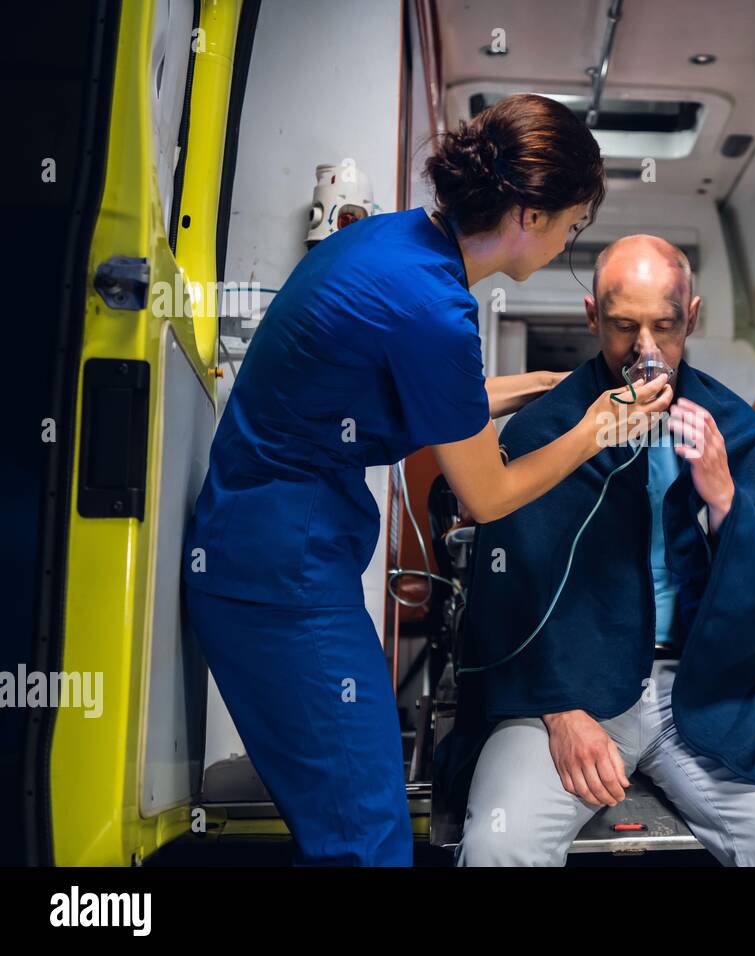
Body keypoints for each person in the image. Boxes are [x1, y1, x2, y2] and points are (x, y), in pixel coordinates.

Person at [183, 95, 672, 866]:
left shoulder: (399, 244)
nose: (567, 241)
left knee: (352, 821)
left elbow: (438, 402)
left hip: (262, 546)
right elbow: (489, 493)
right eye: (572, 225)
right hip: (280, 577)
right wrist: (594, 430)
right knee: (367, 836)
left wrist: (546, 385)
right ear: (530, 214)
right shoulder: (433, 309)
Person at [436, 235, 755, 867]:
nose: (646, 351)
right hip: (568, 692)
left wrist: (724, 500)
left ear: (694, 316)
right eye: (625, 327)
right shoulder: (547, 428)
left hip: (705, 694)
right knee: (498, 842)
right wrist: (558, 711)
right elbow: (502, 601)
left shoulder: (742, 434)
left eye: (666, 327)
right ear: (593, 317)